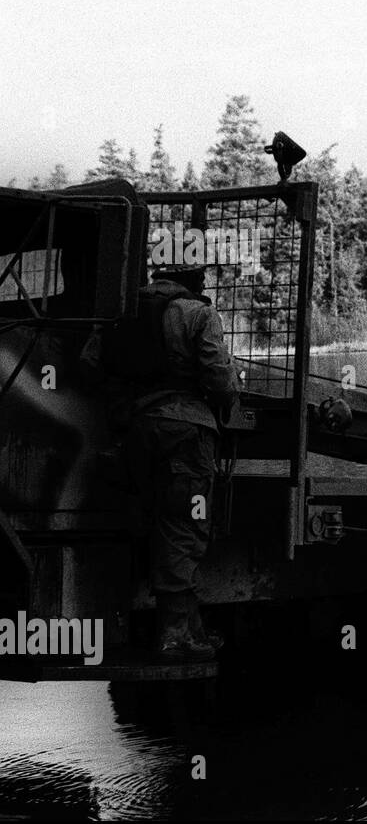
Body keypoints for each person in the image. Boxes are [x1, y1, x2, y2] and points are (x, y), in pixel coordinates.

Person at [81, 262, 239, 661]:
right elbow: (220, 380)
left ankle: (192, 630)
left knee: (157, 522)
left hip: (136, 431)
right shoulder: (198, 313)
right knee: (185, 527)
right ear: (193, 279)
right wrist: (223, 402)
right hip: (186, 433)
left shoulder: (123, 311)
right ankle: (172, 637)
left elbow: (88, 365)